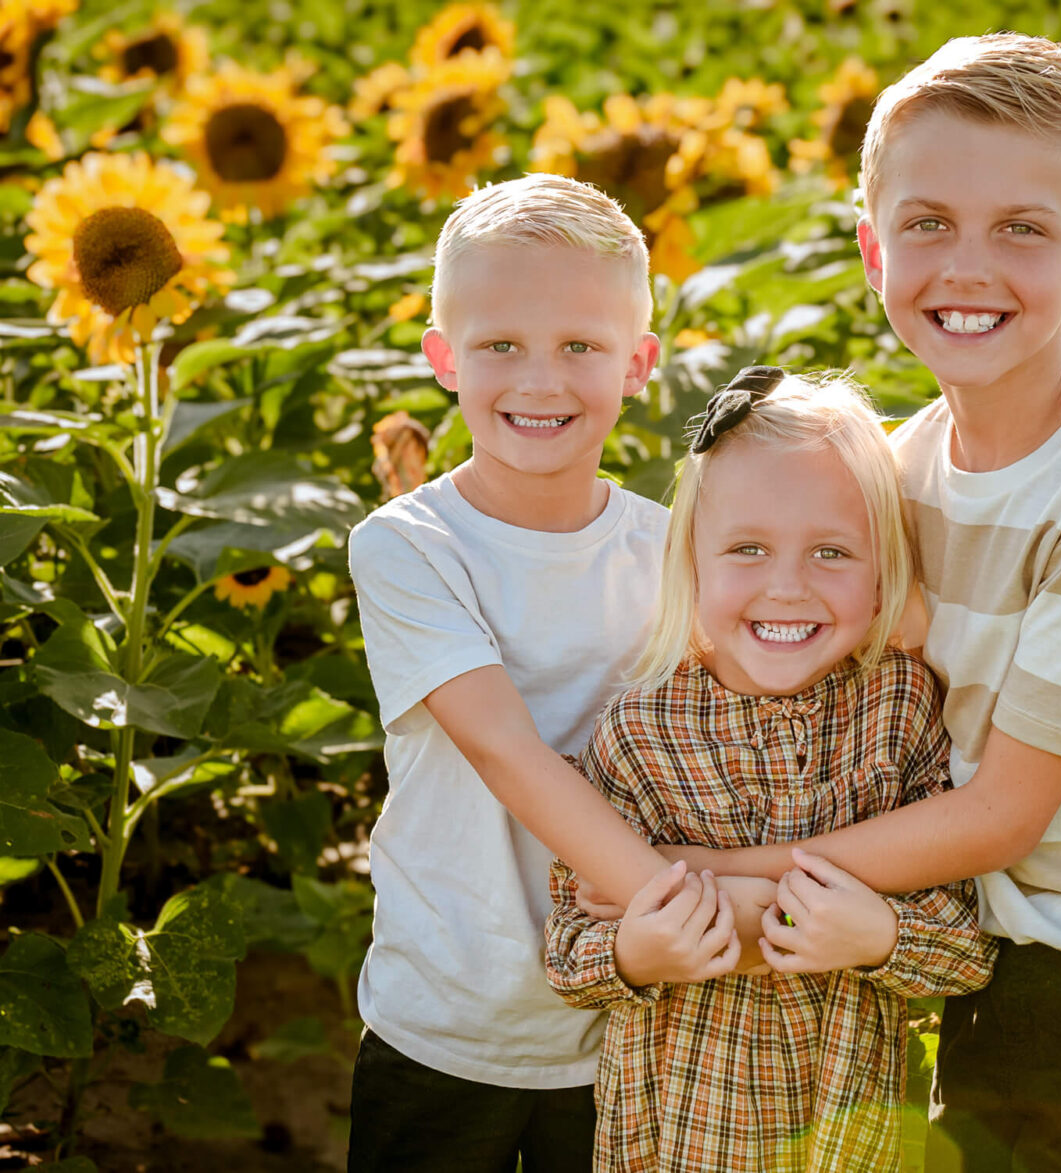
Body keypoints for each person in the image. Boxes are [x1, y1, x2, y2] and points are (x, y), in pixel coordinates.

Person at [671, 34, 1061, 1172]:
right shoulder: (905, 466)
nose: (966, 267)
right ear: (872, 251)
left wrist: (730, 872)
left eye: (1021, 229)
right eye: (927, 225)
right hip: (991, 942)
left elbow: (1006, 813)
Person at [345, 173, 744, 1173]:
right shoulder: (411, 545)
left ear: (639, 363)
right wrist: (677, 913)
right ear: (443, 358)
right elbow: (506, 751)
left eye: (580, 346)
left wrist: (657, 943)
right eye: (499, 346)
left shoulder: (673, 550)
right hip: (453, 1010)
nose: (539, 380)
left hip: (625, 1022)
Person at [544, 367, 997, 1173]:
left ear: (885, 567)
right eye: (747, 549)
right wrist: (638, 953)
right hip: (675, 1140)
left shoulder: (900, 710)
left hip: (849, 1143)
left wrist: (880, 935)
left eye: (831, 551)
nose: (787, 586)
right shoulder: (643, 730)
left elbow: (970, 943)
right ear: (691, 560)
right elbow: (570, 941)